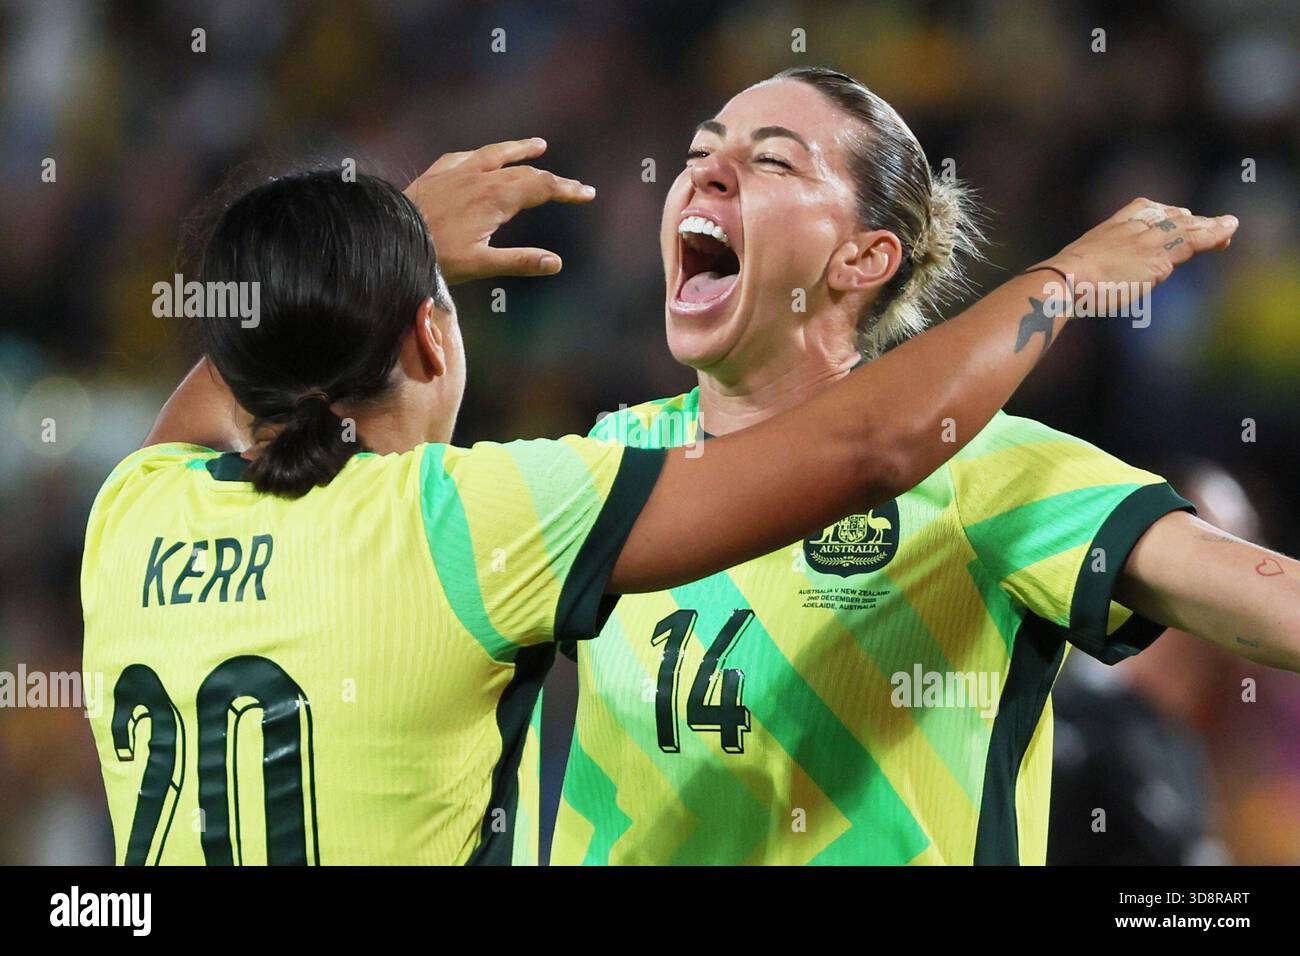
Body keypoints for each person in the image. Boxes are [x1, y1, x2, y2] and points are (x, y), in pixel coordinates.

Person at [80, 135, 1229, 864]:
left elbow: (238, 377)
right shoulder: (475, 518)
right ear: (432, 333)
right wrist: (1061, 281)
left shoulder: (134, 510)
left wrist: (377, 258)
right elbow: (872, 441)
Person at [548, 67, 1293, 866]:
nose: (704, 171)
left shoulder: (989, 472)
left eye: (772, 162)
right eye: (699, 152)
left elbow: (1267, 599)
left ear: (864, 259)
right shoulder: (597, 465)